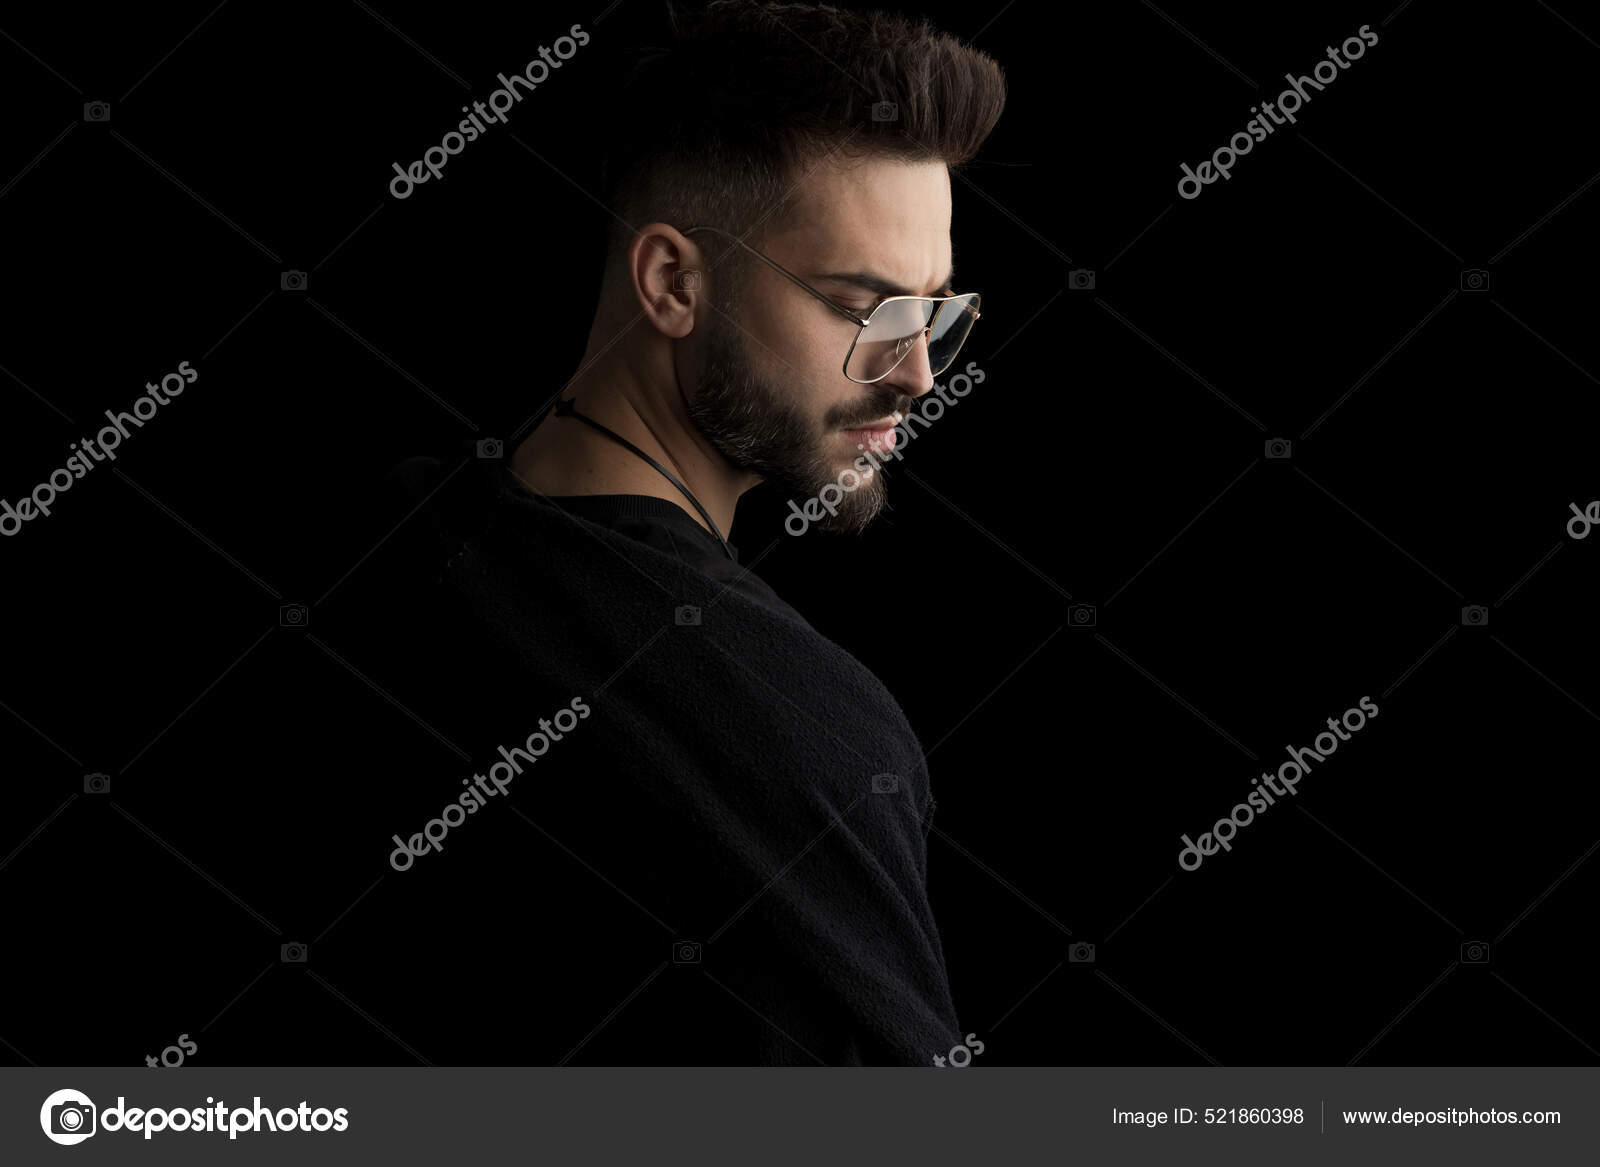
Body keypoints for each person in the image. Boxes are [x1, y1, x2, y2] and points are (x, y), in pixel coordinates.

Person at [370, 0, 1006, 1065]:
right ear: (674, 282)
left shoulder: (392, 526)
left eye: (936, 311)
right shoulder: (809, 735)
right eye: (866, 309)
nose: (917, 373)